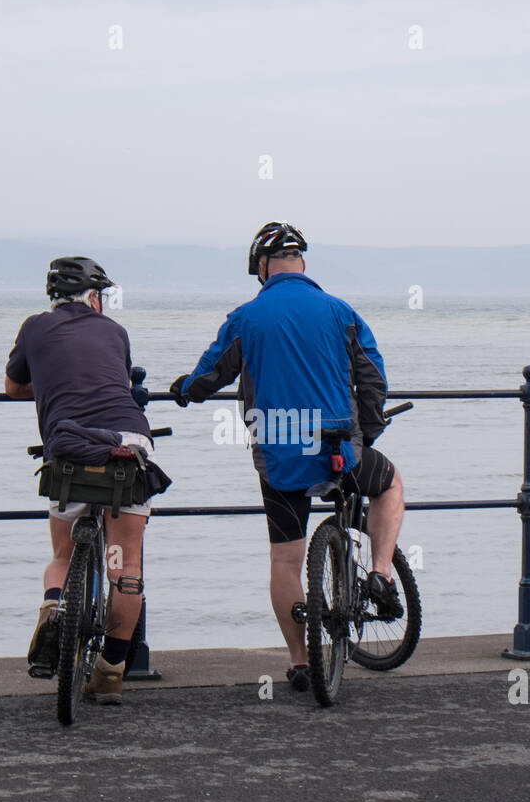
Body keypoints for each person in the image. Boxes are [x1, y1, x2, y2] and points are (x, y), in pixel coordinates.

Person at [169, 222, 405, 692]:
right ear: (303, 264)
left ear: (262, 267)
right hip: (340, 446)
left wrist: (184, 391)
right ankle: (380, 572)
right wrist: (368, 433)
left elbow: (211, 372)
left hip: (278, 451)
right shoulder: (341, 312)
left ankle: (300, 660)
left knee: (284, 560)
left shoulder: (247, 317)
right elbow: (374, 377)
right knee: (390, 484)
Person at [5, 256, 153, 705]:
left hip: (69, 450)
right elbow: (121, 383)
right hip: (127, 443)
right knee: (125, 566)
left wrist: (49, 383)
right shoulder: (115, 332)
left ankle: (53, 607)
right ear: (93, 297)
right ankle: (111, 673)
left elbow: (14, 388)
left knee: (63, 555)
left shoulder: (33, 328)